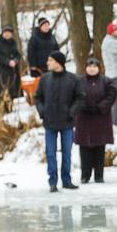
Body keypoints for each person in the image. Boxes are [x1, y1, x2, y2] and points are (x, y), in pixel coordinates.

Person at [34, 50, 84, 192]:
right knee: (51, 153)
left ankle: (66, 180)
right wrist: (42, 111)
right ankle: (52, 182)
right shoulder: (44, 79)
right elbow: (37, 97)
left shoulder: (72, 79)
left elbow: (80, 98)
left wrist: (72, 112)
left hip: (67, 122)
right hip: (49, 122)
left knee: (67, 153)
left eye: (50, 60)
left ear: (58, 62)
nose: (47, 63)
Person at [74, 56, 116, 183]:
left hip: (100, 118)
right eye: (89, 66)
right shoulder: (79, 81)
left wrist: (100, 106)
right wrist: (83, 106)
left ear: (99, 68)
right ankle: (85, 175)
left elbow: (111, 95)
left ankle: (99, 175)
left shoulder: (106, 81)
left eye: (94, 66)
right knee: (84, 148)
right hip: (84, 118)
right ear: (85, 68)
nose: (92, 69)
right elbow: (75, 96)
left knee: (99, 148)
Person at [0, 25, 22, 102]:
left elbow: (18, 54)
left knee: (13, 89)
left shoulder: (13, 42)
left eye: (9, 32)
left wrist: (15, 60)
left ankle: (12, 102)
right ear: (2, 33)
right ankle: (3, 104)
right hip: (3, 69)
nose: (7, 34)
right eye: (5, 32)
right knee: (3, 89)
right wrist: (8, 62)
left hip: (13, 69)